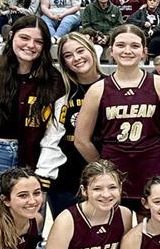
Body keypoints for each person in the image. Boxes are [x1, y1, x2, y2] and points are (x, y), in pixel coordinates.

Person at [0, 16, 66, 231]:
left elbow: (54, 134)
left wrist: (43, 177)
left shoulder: (54, 81)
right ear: (11, 37)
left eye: (38, 41)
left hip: (29, 161)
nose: (30, 45)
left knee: (29, 233)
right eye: (24, 38)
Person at [74, 25, 160, 213]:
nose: (127, 51)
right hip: (113, 173)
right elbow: (81, 140)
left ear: (144, 52)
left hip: (152, 170)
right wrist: (103, 165)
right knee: (114, 232)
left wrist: (155, 159)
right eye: (121, 45)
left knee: (149, 234)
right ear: (111, 51)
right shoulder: (98, 89)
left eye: (135, 46)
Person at [36, 33, 107, 218]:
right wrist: (44, 178)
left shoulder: (111, 86)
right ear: (63, 62)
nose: (76, 58)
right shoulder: (61, 92)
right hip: (65, 181)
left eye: (80, 51)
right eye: (68, 55)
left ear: (92, 51)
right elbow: (51, 138)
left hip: (103, 180)